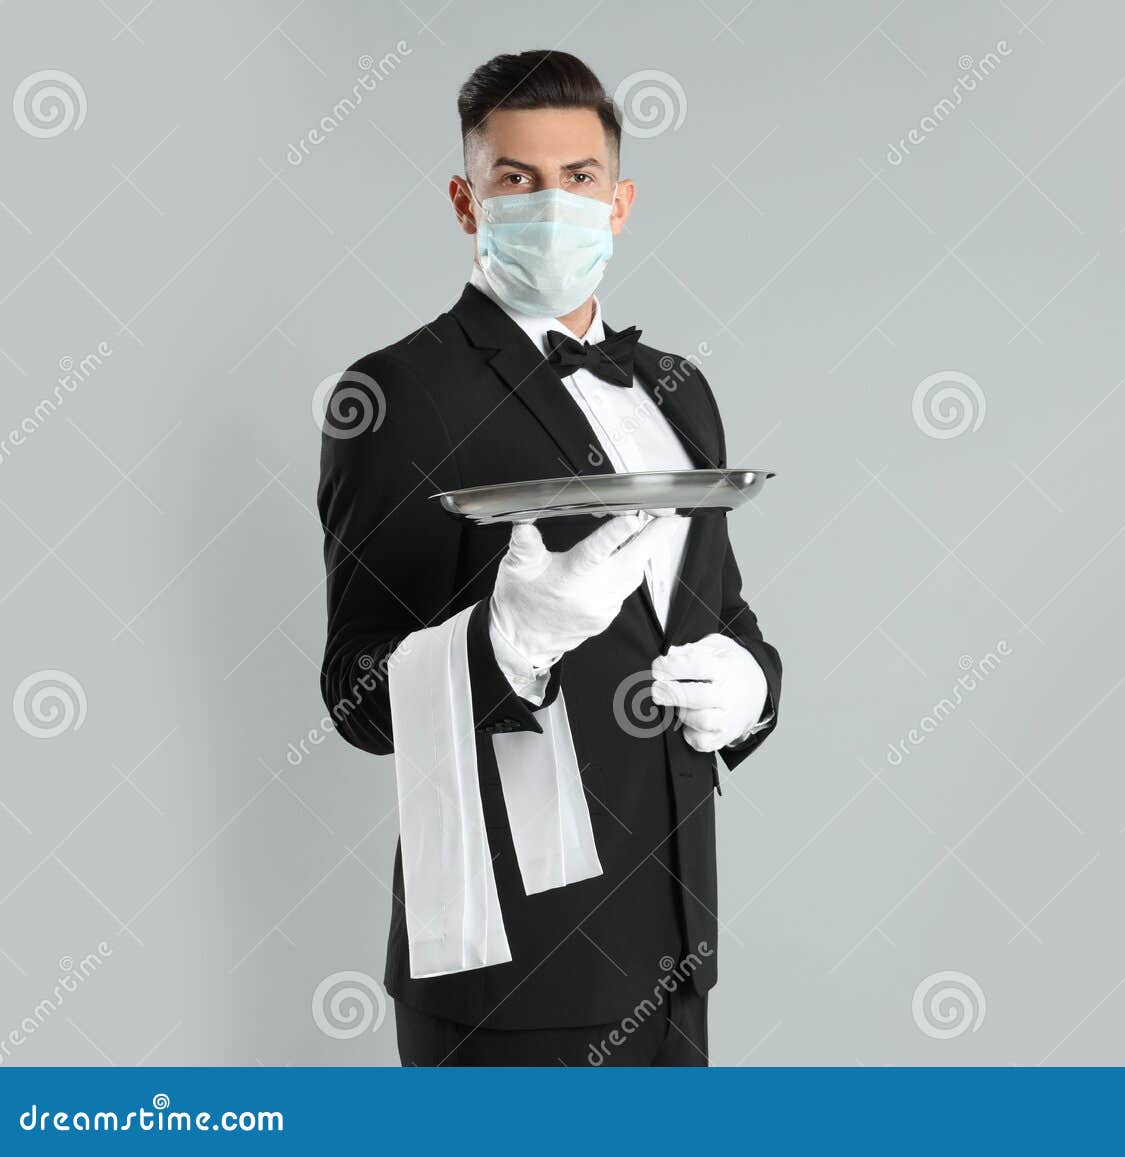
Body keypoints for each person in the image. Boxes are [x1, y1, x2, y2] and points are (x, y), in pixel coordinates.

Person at [316, 49, 781, 1067]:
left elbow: (716, 611)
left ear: (618, 202)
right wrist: (510, 644)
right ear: (464, 198)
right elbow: (354, 695)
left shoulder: (676, 387)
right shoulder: (397, 393)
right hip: (506, 965)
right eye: (515, 178)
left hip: (676, 945)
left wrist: (753, 685)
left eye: (576, 178)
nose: (550, 202)